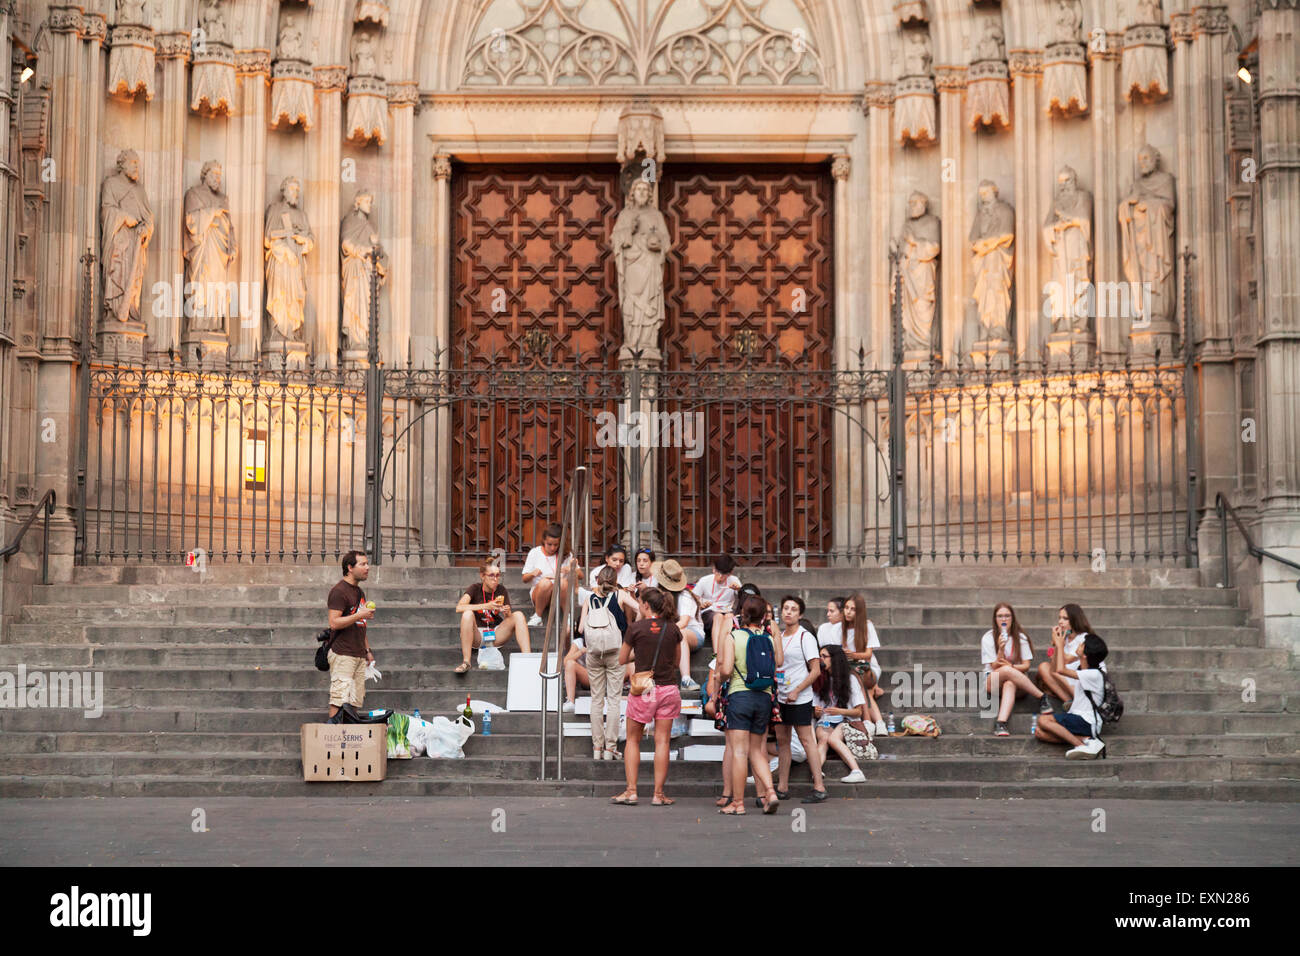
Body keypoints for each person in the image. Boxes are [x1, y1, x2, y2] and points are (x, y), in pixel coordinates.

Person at [611, 588, 683, 806]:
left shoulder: (636, 628)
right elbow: (677, 662)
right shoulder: (673, 629)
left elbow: (622, 659)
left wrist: (641, 653)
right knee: (663, 741)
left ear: (645, 606)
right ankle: (658, 794)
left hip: (643, 690)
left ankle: (632, 791)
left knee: (633, 740)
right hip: (668, 689)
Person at [717, 594, 784, 815]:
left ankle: (737, 803)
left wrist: (721, 677)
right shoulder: (768, 638)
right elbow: (777, 665)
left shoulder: (733, 637)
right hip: (764, 698)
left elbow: (726, 669)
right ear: (764, 616)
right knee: (757, 750)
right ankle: (770, 792)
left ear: (742, 615)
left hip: (740, 696)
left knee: (739, 751)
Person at [773, 595, 828, 803]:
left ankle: (819, 786)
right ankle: (782, 787)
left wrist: (797, 690)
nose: (788, 612)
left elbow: (815, 671)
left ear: (800, 614)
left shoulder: (805, 637)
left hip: (799, 696)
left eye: (793, 609)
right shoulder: (779, 635)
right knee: (783, 741)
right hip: (780, 694)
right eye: (785, 608)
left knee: (806, 740)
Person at [578, 566, 628, 759]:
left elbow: (581, 628)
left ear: (597, 579)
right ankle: (610, 748)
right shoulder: (620, 595)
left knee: (596, 700)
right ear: (615, 580)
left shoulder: (589, 599)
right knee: (614, 699)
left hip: (594, 653)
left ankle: (597, 748)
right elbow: (641, 611)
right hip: (615, 652)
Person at [1036, 632, 1109, 759]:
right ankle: (1087, 740)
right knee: (1040, 733)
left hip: (1087, 721)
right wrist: (1057, 647)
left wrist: (1059, 645)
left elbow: (1060, 670)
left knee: (1044, 720)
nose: (1079, 644)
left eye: (1082, 644)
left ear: (1085, 655)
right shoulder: (1082, 669)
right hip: (1078, 718)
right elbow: (1054, 671)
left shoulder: (1094, 674)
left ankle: (1080, 745)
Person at [981, 602, 1049, 735]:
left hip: (1019, 685)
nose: (1004, 619)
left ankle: (1001, 723)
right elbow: (994, 666)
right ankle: (1041, 696)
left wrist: (1010, 667)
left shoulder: (1021, 638)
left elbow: (1026, 666)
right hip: (993, 680)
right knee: (1005, 672)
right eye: (1000, 616)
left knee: (1010, 682)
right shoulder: (988, 637)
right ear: (995, 619)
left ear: (1012, 618)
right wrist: (1001, 649)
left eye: (1007, 616)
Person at [453, 560, 530, 674]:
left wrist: (507, 612)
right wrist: (486, 606)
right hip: (477, 635)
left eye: (498, 575)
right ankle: (466, 662)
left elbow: (508, 617)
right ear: (482, 576)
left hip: (495, 633)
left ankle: (528, 659)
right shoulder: (475, 588)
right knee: (467, 614)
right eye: (491, 575)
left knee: (518, 615)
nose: (495, 579)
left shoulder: (501, 590)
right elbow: (459, 607)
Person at [325, 550, 375, 720]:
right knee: (339, 700)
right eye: (363, 564)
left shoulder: (359, 592)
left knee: (354, 700)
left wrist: (367, 650)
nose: (367, 567)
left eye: (367, 563)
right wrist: (360, 614)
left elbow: (360, 625)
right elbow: (334, 622)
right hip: (342, 653)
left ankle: (351, 738)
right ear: (350, 567)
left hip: (358, 653)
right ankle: (333, 737)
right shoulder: (339, 591)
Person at [812, 644, 869, 783]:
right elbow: (815, 710)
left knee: (833, 739)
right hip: (825, 720)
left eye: (824, 656)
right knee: (824, 738)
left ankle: (857, 771)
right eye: (819, 656)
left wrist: (839, 711)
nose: (820, 659)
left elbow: (858, 712)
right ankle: (817, 773)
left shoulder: (850, 679)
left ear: (835, 659)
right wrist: (817, 711)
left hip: (846, 720)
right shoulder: (819, 678)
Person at [1037, 603, 1103, 708]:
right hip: (1068, 676)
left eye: (1065, 618)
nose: (1060, 622)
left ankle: (1076, 700)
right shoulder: (1065, 638)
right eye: (1059, 618)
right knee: (1044, 667)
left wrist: (1058, 644)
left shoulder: (1084, 638)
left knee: (1058, 670)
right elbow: (1055, 664)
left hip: (1086, 681)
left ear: (1074, 620)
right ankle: (1068, 701)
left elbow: (1067, 660)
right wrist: (1056, 644)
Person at [653, 558, 705, 691]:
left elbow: (684, 622)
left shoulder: (685, 596)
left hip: (691, 632)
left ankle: (686, 679)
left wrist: (663, 631)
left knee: (679, 634)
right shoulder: (658, 593)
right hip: (668, 632)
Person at [842, 594, 888, 735]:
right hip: (852, 669)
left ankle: (869, 721)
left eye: (853, 609)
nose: (848, 611)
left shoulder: (867, 625)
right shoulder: (840, 627)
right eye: (846, 607)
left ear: (859, 612)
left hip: (868, 668)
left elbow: (868, 654)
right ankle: (879, 723)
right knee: (861, 685)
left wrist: (852, 655)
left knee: (857, 677)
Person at [522, 524, 581, 626]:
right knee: (545, 583)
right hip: (540, 594)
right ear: (544, 540)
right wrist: (532, 573)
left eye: (556, 545)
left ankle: (567, 616)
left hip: (560, 594)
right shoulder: (535, 552)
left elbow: (581, 576)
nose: (552, 548)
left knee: (562, 582)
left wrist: (571, 569)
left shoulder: (566, 554)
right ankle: (538, 616)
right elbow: (524, 579)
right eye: (549, 544)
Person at [693, 553, 742, 654]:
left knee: (729, 616)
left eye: (725, 574)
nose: (720, 577)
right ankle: (717, 654)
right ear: (713, 569)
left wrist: (738, 589)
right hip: (709, 614)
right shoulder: (705, 581)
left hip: (727, 612)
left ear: (730, 573)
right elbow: (693, 599)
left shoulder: (734, 581)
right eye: (718, 572)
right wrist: (701, 605)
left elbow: (744, 597)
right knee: (718, 616)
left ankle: (727, 652)